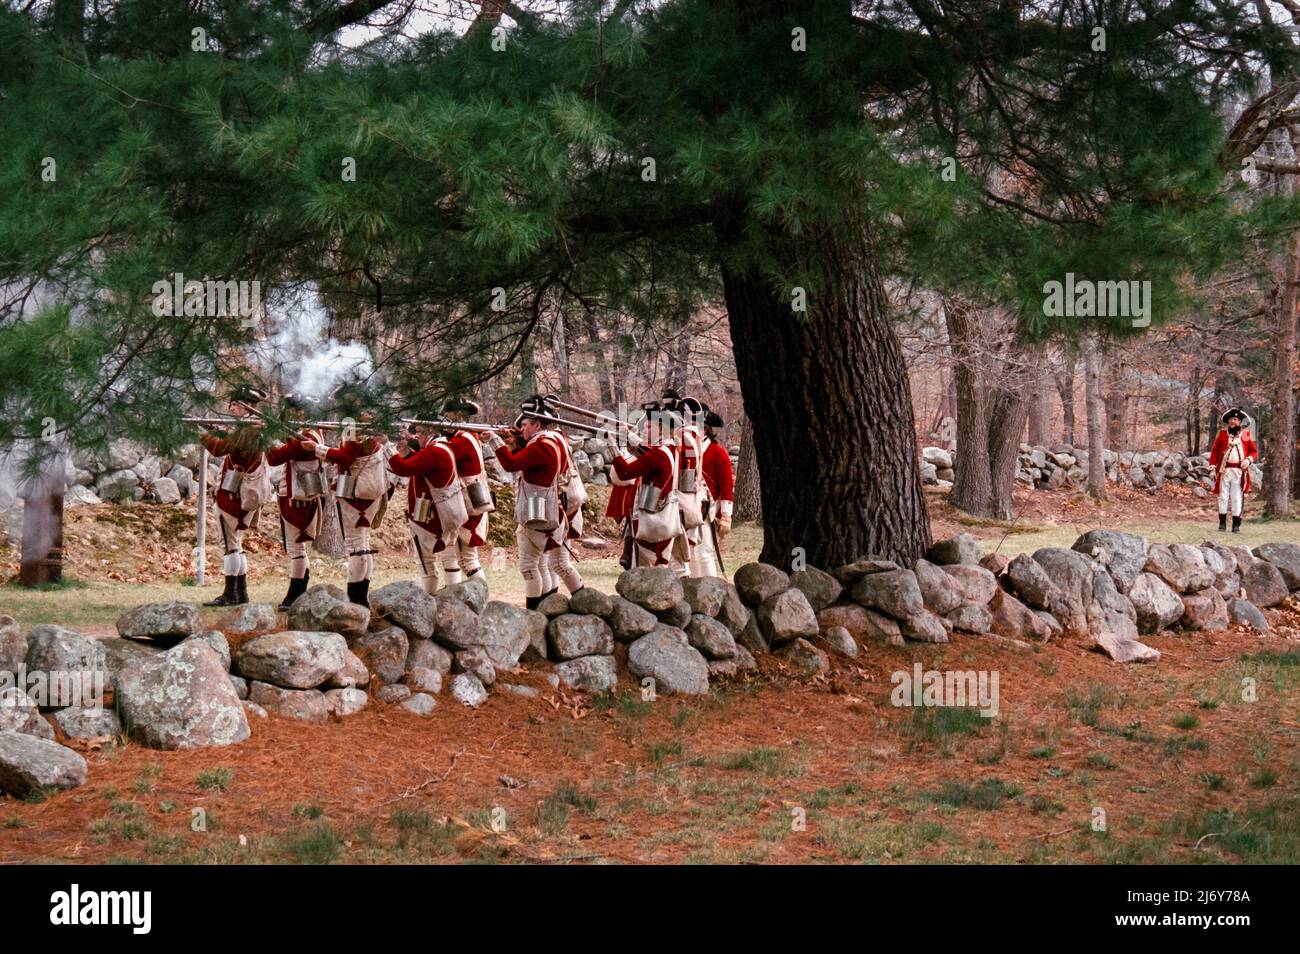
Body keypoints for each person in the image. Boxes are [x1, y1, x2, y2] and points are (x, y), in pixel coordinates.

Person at [482, 396, 585, 609]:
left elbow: (511, 464)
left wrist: (494, 440)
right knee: (544, 565)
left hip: (541, 511)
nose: (521, 428)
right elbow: (524, 457)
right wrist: (512, 441)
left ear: (538, 424)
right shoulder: (546, 441)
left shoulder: (543, 445)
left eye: (526, 424)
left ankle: (536, 614)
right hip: (547, 509)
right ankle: (546, 611)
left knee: (530, 567)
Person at [308, 405, 391, 607]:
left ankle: (356, 598)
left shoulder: (357, 431)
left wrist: (317, 449)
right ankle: (360, 597)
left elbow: (345, 456)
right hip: (367, 493)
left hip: (356, 495)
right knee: (362, 544)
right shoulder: (366, 430)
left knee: (356, 547)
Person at [199, 386, 271, 607]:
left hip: (234, 496)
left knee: (230, 546)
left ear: (243, 406)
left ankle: (231, 594)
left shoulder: (247, 430)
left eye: (235, 404)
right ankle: (240, 594)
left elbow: (221, 449)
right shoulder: (252, 428)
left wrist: (204, 435)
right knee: (235, 545)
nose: (231, 408)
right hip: (242, 493)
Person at [387, 416, 466, 593]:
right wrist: (403, 447)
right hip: (445, 514)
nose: (417, 437)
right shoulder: (440, 448)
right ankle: (452, 603)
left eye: (420, 433)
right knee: (449, 561)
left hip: (429, 518)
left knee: (426, 565)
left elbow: (403, 469)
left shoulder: (435, 451)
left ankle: (430, 603)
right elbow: (417, 462)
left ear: (431, 431)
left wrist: (387, 446)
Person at [610, 400, 688, 572]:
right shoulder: (670, 448)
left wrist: (612, 447)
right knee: (661, 568)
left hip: (650, 522)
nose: (645, 430)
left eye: (649, 427)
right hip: (666, 519)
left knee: (644, 570)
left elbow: (625, 473)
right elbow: (645, 452)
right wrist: (627, 434)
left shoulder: (657, 454)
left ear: (661, 429)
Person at [265, 393, 326, 610]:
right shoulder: (309, 434)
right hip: (295, 495)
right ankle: (297, 591)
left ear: (302, 413)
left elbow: (275, 458)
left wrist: (267, 435)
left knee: (296, 548)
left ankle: (296, 594)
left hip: (298, 499)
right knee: (295, 548)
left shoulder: (307, 437)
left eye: (292, 410)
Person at [441, 399, 493, 583]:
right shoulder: (470, 436)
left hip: (469, 504)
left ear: (458, 416)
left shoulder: (462, 440)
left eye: (448, 417)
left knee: (467, 559)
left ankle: (480, 598)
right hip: (474, 500)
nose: (445, 420)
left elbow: (441, 455)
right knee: (464, 558)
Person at [693, 405, 735, 577]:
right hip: (689, 508)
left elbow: (726, 486)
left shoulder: (718, 452)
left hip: (709, 511)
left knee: (705, 553)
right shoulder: (686, 451)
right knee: (690, 554)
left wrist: (726, 516)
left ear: (704, 429)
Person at [1209, 407, 1258, 533]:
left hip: (1239, 472)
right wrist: (1212, 467)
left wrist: (1248, 459)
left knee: (1237, 497)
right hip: (1224, 471)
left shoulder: (1246, 435)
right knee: (1223, 497)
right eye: (1231, 419)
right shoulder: (1221, 434)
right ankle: (1222, 524)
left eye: (1235, 419)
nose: (1232, 422)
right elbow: (1214, 452)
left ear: (1240, 422)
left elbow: (1253, 451)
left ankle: (1236, 525)